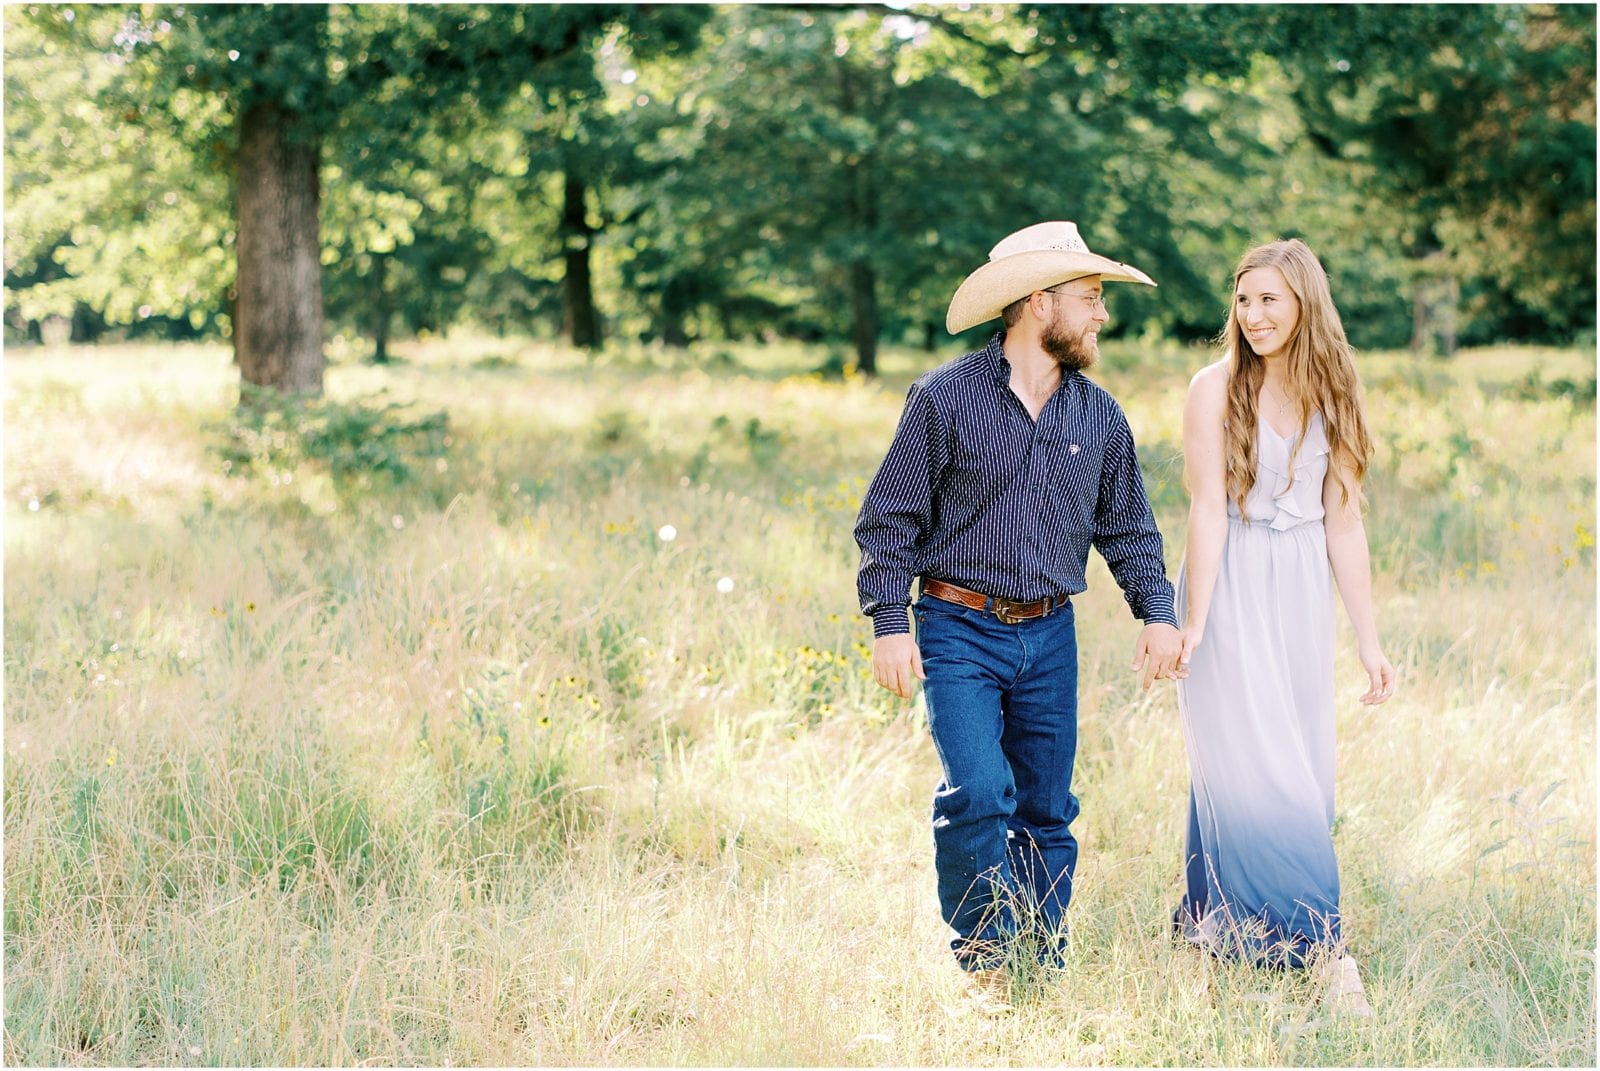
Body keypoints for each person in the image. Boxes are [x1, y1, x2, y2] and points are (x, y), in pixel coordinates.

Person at [854, 220, 1185, 1011]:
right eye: (1091, 298)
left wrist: (1159, 614)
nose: (1102, 316)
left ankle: (1037, 960)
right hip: (956, 625)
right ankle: (988, 964)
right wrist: (889, 623)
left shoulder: (1099, 417)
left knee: (1046, 808)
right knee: (977, 793)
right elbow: (888, 519)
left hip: (1049, 632)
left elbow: (1129, 527)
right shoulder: (943, 398)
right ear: (1040, 304)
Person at [1172, 238, 1396, 1017]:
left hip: (1299, 592)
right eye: (1242, 298)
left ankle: (1213, 926)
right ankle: (1325, 952)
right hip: (1229, 582)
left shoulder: (1335, 388)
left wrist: (1368, 642)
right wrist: (1195, 619)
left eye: (1269, 298)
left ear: (1304, 302)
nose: (1253, 314)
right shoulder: (1214, 387)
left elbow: (1343, 526)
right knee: (1252, 759)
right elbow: (1206, 507)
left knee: (1296, 766)